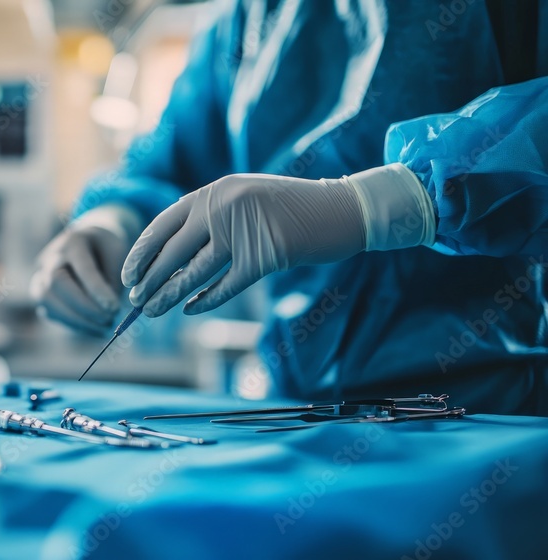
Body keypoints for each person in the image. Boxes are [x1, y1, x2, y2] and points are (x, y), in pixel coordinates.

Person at [32, 1, 548, 415]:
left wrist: (394, 201)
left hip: (489, 413)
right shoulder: (247, 19)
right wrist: (111, 222)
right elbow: (174, 165)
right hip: (301, 410)